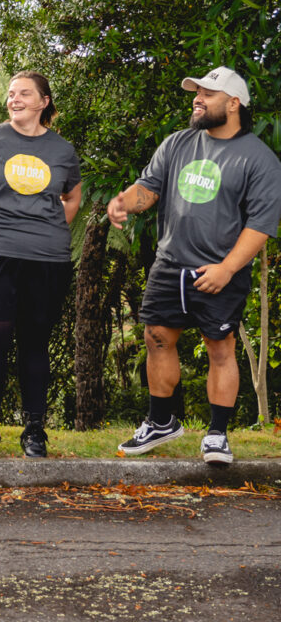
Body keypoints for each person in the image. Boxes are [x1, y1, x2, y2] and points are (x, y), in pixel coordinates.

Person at [108, 66, 281, 465]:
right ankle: (161, 422)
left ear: (233, 104)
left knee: (220, 346)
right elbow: (148, 188)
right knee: (157, 337)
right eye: (196, 93)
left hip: (220, 269)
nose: (197, 99)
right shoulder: (178, 143)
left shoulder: (259, 159)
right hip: (170, 264)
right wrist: (123, 202)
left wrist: (227, 269)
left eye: (207, 94)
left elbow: (260, 225)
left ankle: (217, 435)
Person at [0, 71, 81, 458]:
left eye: (24, 93)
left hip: (46, 260)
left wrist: (48, 230)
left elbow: (72, 198)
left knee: (35, 342)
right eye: (11, 94)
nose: (15, 99)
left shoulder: (62, 150)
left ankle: (35, 430)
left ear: (44, 102)